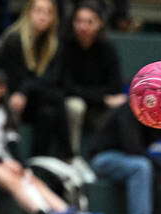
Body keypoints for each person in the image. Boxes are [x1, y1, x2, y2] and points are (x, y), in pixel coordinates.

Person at [0, 70, 102, 214]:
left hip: (3, 161)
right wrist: (5, 163)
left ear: (1, 90)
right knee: (12, 178)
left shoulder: (5, 113)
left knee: (32, 179)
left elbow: (12, 144)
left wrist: (21, 166)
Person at [0, 0, 70, 160]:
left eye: (48, 12)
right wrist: (21, 92)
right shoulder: (13, 39)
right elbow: (13, 77)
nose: (43, 17)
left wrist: (24, 91)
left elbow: (51, 78)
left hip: (32, 98)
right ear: (28, 13)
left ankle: (38, 163)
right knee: (55, 97)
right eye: (39, 11)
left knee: (48, 111)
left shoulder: (54, 43)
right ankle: (69, 155)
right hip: (10, 98)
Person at [59, 1, 125, 181]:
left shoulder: (108, 49)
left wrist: (100, 98)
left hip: (98, 107)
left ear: (99, 24)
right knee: (75, 105)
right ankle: (71, 157)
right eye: (79, 21)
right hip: (74, 103)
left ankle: (102, 159)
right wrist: (101, 98)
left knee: (120, 107)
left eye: (89, 22)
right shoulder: (65, 46)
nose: (83, 26)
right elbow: (66, 87)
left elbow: (115, 87)